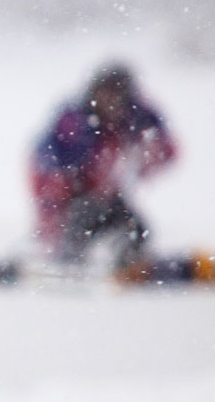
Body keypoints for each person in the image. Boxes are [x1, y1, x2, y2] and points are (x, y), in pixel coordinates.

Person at [32, 63, 178, 268]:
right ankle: (69, 265)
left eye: (117, 95)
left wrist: (148, 159)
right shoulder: (75, 122)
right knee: (78, 225)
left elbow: (168, 148)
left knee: (135, 229)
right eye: (105, 93)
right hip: (71, 192)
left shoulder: (137, 116)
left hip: (107, 191)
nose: (111, 101)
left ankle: (126, 263)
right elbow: (49, 171)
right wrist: (52, 217)